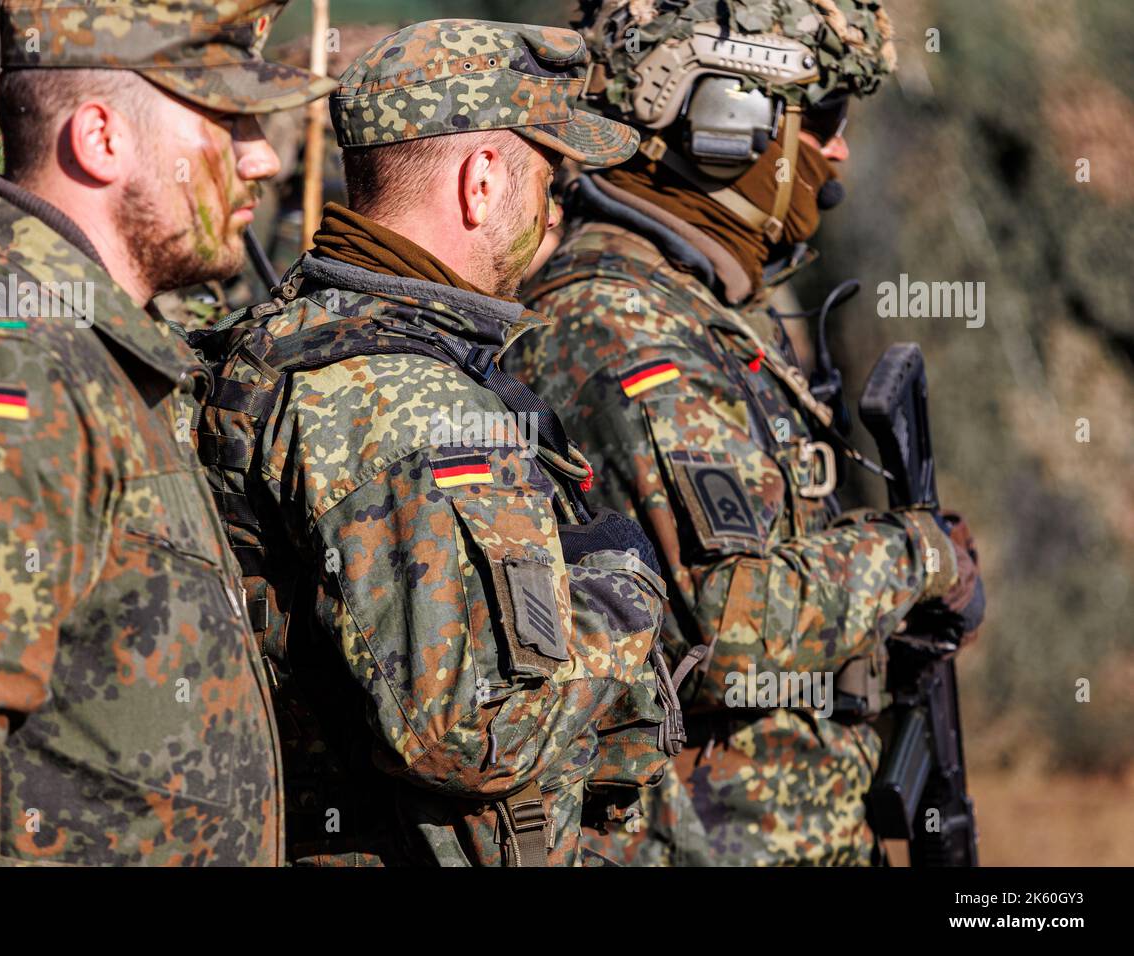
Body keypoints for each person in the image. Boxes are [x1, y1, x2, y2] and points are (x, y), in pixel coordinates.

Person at [0, 0, 333, 866]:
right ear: (100, 139)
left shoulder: (90, 353)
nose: (259, 154)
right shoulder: (2, 375)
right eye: (225, 117)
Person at [508, 0, 984, 865]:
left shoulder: (704, 307)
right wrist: (918, 557)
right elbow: (731, 627)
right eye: (824, 118)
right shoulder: (622, 325)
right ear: (728, 121)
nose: (838, 151)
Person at [196, 19, 679, 866]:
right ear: (482, 180)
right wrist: (622, 597)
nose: (555, 211)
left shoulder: (292, 336)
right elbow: (465, 728)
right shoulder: (411, 401)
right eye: (548, 177)